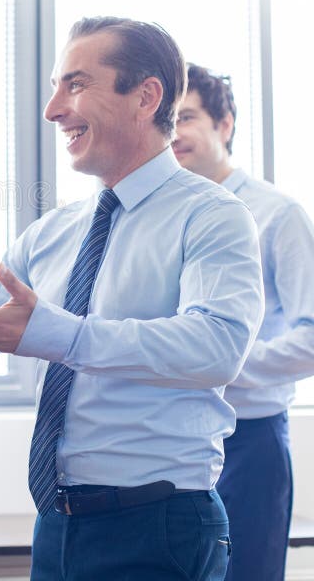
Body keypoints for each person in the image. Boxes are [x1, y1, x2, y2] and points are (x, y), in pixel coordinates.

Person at [0, 16, 264, 581]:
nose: (52, 109)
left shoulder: (214, 216)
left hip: (158, 527)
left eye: (75, 85)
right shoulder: (56, 231)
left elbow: (217, 345)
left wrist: (57, 334)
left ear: (146, 96)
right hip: (57, 524)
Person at [173, 63, 314, 581]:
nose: (174, 134)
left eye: (186, 117)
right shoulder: (166, 217)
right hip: (176, 441)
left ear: (225, 123)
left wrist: (223, 362)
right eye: (166, 120)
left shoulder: (279, 214)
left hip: (251, 442)